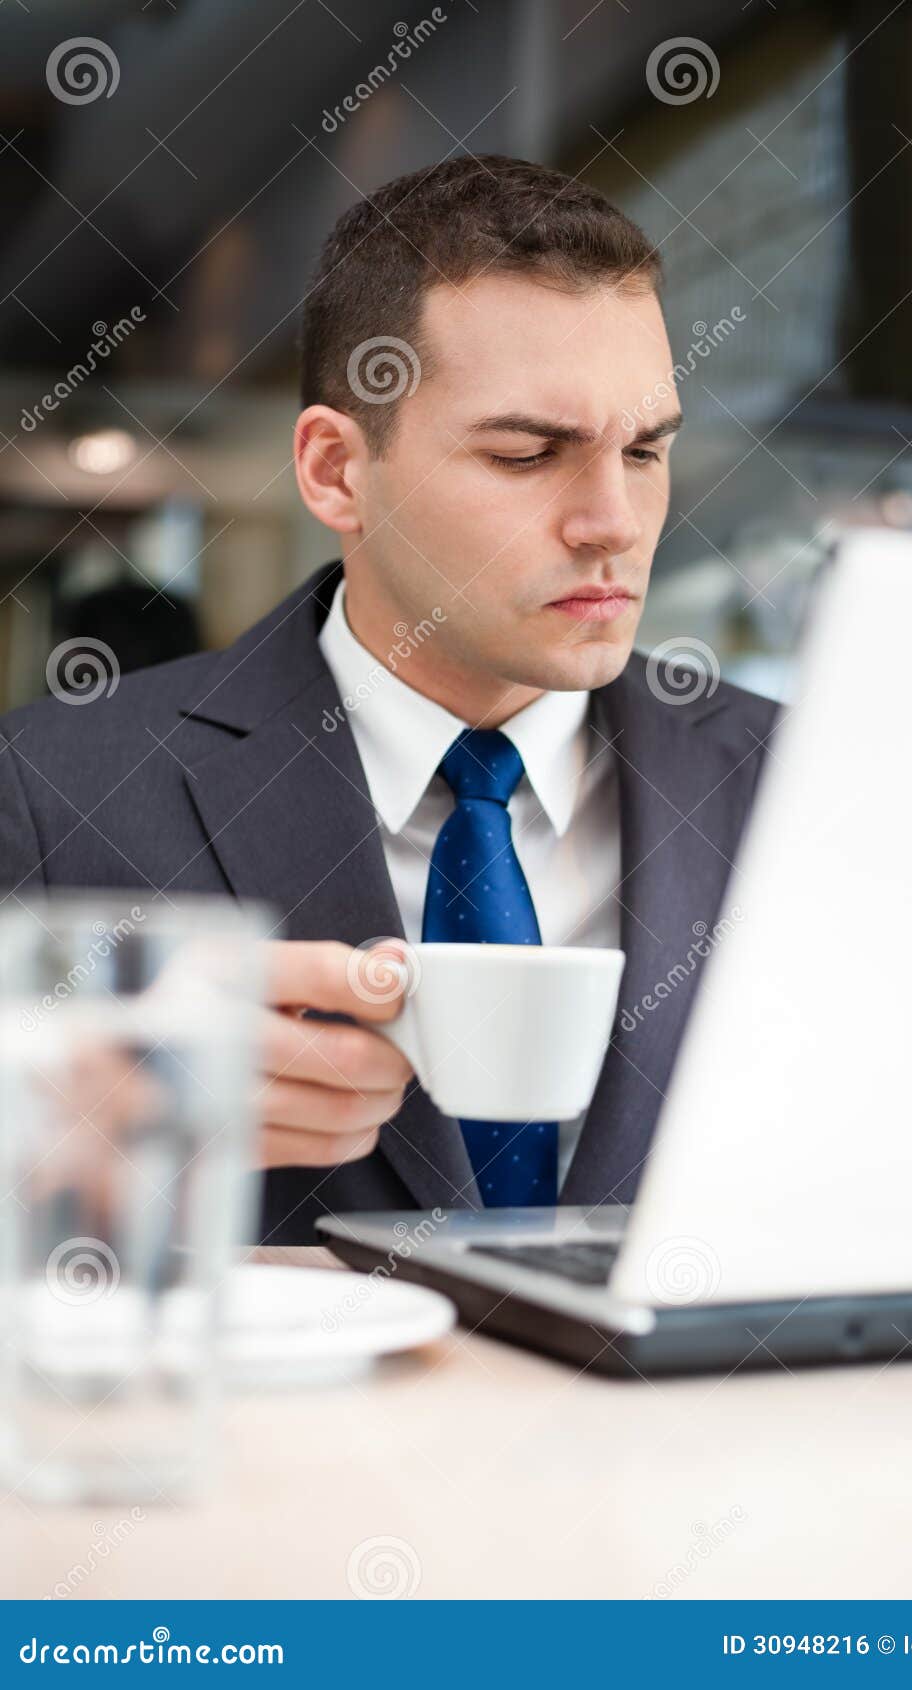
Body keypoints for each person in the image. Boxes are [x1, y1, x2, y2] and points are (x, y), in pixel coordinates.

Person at [0, 154, 777, 1243]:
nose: (612, 519)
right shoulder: (52, 791)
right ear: (334, 472)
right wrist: (39, 1132)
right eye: (524, 453)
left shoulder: (796, 782)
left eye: (643, 449)